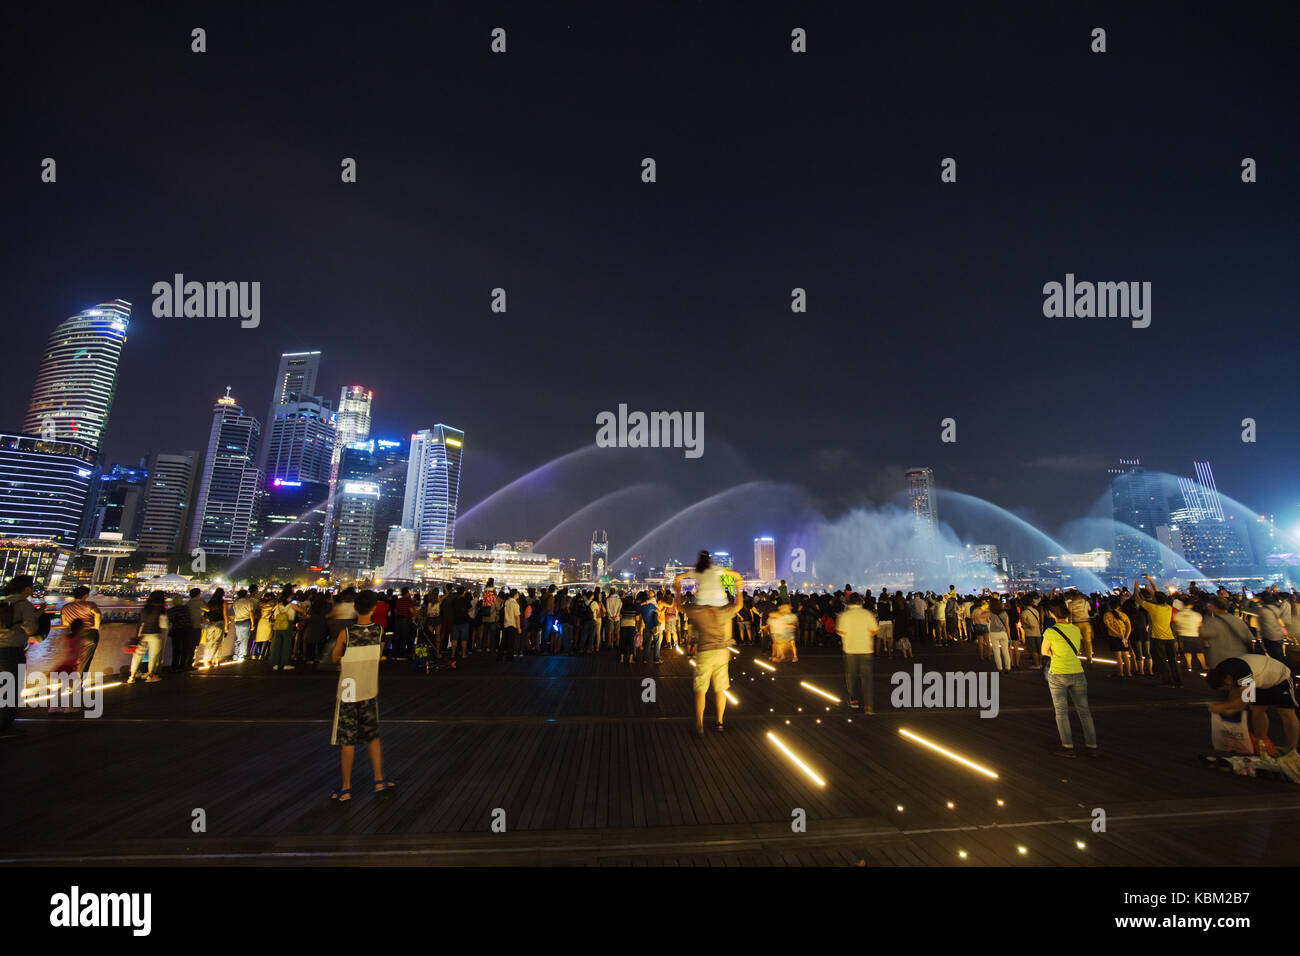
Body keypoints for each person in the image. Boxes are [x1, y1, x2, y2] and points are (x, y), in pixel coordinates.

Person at [329, 590, 394, 801]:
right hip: (368, 688)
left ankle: (346, 788)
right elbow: (378, 653)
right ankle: (379, 780)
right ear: (374, 608)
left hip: (348, 688)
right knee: (372, 736)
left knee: (347, 740)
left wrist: (341, 661)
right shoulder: (380, 631)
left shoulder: (346, 634)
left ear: (356, 607)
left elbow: (335, 657)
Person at [676, 571, 744, 735]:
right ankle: (720, 721)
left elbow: (679, 606)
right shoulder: (723, 610)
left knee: (701, 690)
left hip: (704, 651)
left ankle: (700, 723)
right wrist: (739, 585)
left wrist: (677, 588)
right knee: (721, 689)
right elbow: (739, 605)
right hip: (721, 651)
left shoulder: (699, 610)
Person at [1207, 654, 1299, 757]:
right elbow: (1235, 693)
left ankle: (1292, 750)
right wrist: (1227, 709)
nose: (1227, 688)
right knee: (1257, 710)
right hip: (1259, 680)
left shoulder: (1242, 671)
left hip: (1280, 678)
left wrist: (1222, 707)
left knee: (1286, 712)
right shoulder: (1221, 671)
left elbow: (1246, 698)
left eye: (1226, 686)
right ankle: (1263, 743)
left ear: (1228, 678)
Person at [1041, 598, 1098, 757]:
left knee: (1061, 712)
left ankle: (1067, 746)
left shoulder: (1050, 631)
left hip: (1058, 673)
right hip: (1077, 672)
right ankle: (1092, 745)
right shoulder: (1075, 629)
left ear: (1052, 613)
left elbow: (1044, 651)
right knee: (1084, 711)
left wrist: (1055, 653)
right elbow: (1077, 648)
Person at [0, 575, 39, 737]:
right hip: (12, 650)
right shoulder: (24, 604)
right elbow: (31, 630)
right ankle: (5, 726)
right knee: (12, 688)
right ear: (27, 589)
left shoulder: (2, 603)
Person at [836, 593, 878, 713]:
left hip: (850, 649)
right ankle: (869, 706)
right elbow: (875, 630)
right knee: (867, 678)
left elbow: (840, 631)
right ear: (861, 602)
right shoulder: (867, 614)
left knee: (852, 676)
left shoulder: (844, 615)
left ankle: (854, 700)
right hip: (866, 649)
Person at [1139, 576, 1180, 687]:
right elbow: (1157, 594)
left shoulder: (1153, 608)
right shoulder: (1168, 607)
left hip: (1158, 638)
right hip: (1170, 637)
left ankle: (1167, 680)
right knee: (1173, 661)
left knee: (1162, 661)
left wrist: (1137, 587)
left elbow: (1141, 599)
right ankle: (1178, 681)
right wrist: (1150, 581)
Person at [128, 591, 169, 684]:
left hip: (142, 634)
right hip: (155, 634)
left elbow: (140, 622)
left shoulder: (145, 607)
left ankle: (132, 676)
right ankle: (150, 676)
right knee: (153, 656)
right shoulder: (161, 608)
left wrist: (137, 634)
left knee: (137, 656)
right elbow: (164, 624)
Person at [1199, 597, 1254, 667]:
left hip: (1219, 659)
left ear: (1213, 607)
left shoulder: (1211, 622)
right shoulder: (1238, 621)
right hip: (1239, 658)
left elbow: (1203, 634)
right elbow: (1250, 638)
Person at [60, 586, 102, 673]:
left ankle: (69, 680)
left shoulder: (65, 607)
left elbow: (65, 623)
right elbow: (98, 614)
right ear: (86, 595)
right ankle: (78, 683)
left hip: (74, 635)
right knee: (85, 660)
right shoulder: (90, 605)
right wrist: (96, 627)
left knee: (73, 659)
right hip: (89, 634)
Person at [1102, 598, 1134, 677]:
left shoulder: (1107, 615)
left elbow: (1108, 626)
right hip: (1124, 636)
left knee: (1118, 656)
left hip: (1114, 637)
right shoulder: (1123, 614)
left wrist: (1117, 634)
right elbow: (1129, 626)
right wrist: (1126, 636)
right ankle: (1129, 673)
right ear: (1118, 607)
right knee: (1126, 655)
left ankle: (1121, 673)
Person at [270, 592, 296, 671]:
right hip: (287, 625)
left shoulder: (278, 606)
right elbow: (302, 611)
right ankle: (285, 663)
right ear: (288, 598)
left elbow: (272, 614)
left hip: (278, 625)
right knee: (286, 645)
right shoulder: (292, 605)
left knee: (277, 644)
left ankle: (275, 663)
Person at [202, 588, 228, 667]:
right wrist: (227, 626)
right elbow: (225, 615)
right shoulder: (223, 602)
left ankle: (206, 659)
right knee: (217, 642)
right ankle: (212, 659)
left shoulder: (210, 602)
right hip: (220, 623)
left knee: (209, 642)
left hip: (211, 623)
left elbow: (205, 613)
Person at [987, 597, 1011, 673]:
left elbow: (987, 620)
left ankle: (999, 668)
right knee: (1005, 651)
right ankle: (1008, 667)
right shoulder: (1004, 613)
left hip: (994, 633)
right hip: (1003, 633)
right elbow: (1007, 625)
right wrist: (1009, 636)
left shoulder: (990, 613)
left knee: (996, 652)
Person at [499, 589, 520, 661]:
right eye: (517, 593)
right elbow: (517, 616)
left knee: (504, 641)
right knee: (511, 642)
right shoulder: (515, 604)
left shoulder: (506, 602)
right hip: (512, 624)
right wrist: (519, 627)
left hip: (505, 623)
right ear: (515, 594)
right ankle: (509, 656)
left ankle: (500, 656)